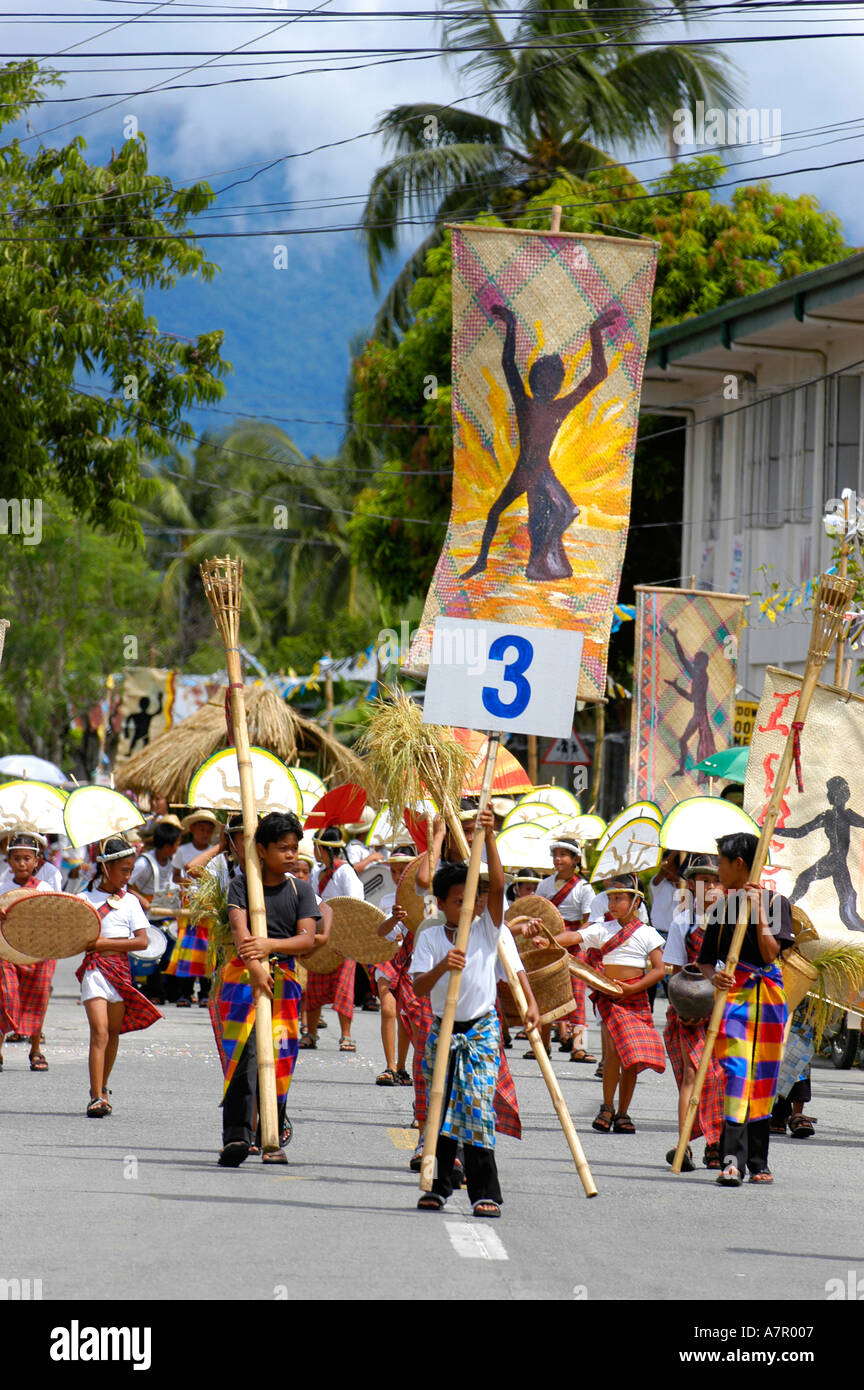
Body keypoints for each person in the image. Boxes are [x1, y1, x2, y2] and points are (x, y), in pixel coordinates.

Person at [410, 808, 540, 1218]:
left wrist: (489, 837)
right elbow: (418, 987)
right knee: (441, 1107)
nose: (467, 907)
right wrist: (442, 967)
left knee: (476, 1108)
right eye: (458, 901)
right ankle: (437, 1186)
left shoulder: (488, 927)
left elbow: (500, 886)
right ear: (443, 904)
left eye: (473, 899)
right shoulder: (430, 934)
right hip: (443, 1030)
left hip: (481, 1031)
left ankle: (486, 1192)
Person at [220, 811, 319, 1167]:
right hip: (244, 980)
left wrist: (270, 947)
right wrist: (255, 963)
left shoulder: (301, 890)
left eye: (294, 848)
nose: (291, 855)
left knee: (278, 1059)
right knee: (243, 1058)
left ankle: (271, 1134)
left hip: (285, 981)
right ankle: (236, 1135)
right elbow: (238, 929)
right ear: (261, 850)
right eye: (282, 848)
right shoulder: (243, 884)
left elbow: (306, 938)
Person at [698, 832, 792, 1187]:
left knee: (763, 1078)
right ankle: (731, 1161)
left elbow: (770, 954)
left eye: (720, 861)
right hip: (735, 998)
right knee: (737, 1074)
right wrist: (716, 977)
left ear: (739, 864)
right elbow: (706, 961)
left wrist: (758, 915)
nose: (717, 869)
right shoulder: (720, 907)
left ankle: (759, 1161)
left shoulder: (775, 903)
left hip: (767, 999)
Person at [545, 872, 665, 1134]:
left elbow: (658, 970)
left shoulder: (648, 933)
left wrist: (633, 987)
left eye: (619, 898)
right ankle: (607, 1106)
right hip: (611, 999)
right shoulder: (603, 929)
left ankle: (623, 1111)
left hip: (635, 998)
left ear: (636, 902)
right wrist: (550, 939)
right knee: (612, 1054)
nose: (612, 904)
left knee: (631, 1058)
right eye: (610, 898)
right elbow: (575, 937)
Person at [76, 835, 163, 1117]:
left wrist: (103, 943)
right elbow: (69, 934)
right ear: (106, 868)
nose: (128, 876)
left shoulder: (131, 903)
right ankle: (95, 1094)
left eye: (130, 869)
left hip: (120, 971)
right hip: (95, 971)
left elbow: (141, 942)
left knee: (112, 1033)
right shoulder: (83, 899)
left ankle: (103, 1086)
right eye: (123, 870)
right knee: (99, 1030)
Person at [662, 854, 726, 1172]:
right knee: (691, 1074)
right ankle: (684, 1142)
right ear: (692, 886)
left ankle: (716, 1144)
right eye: (703, 880)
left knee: (720, 1076)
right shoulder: (682, 922)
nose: (710, 886)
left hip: (726, 1010)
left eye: (716, 880)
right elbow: (676, 972)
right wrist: (683, 1007)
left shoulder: (736, 924)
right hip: (691, 1009)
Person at [0, 828, 58, 1072]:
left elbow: (56, 916)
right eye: (17, 858)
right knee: (5, 996)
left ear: (36, 861)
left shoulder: (44, 887)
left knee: (38, 998)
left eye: (27, 858)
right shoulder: (2, 887)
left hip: (37, 950)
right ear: (9, 860)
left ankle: (35, 1049)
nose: (22, 863)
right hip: (6, 950)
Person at [302, 827, 364, 1052]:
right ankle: (310, 1033)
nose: (315, 852)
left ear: (324, 848)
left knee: (343, 987)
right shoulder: (318, 873)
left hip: (343, 936)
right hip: (321, 933)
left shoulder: (345, 871)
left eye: (317, 847)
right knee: (314, 985)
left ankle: (346, 1035)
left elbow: (355, 903)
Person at [536, 836, 595, 1062]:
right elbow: (538, 912)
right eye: (555, 855)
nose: (558, 859)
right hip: (548, 941)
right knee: (547, 993)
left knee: (577, 995)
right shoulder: (544, 885)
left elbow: (588, 922)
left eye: (563, 855)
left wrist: (569, 938)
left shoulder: (584, 888)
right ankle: (543, 1045)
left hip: (575, 942)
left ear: (575, 860)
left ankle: (579, 1047)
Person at [173, 811, 220, 882]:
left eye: (209, 831)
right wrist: (183, 881)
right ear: (192, 829)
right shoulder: (181, 850)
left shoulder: (216, 854)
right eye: (202, 830)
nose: (205, 834)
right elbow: (175, 876)